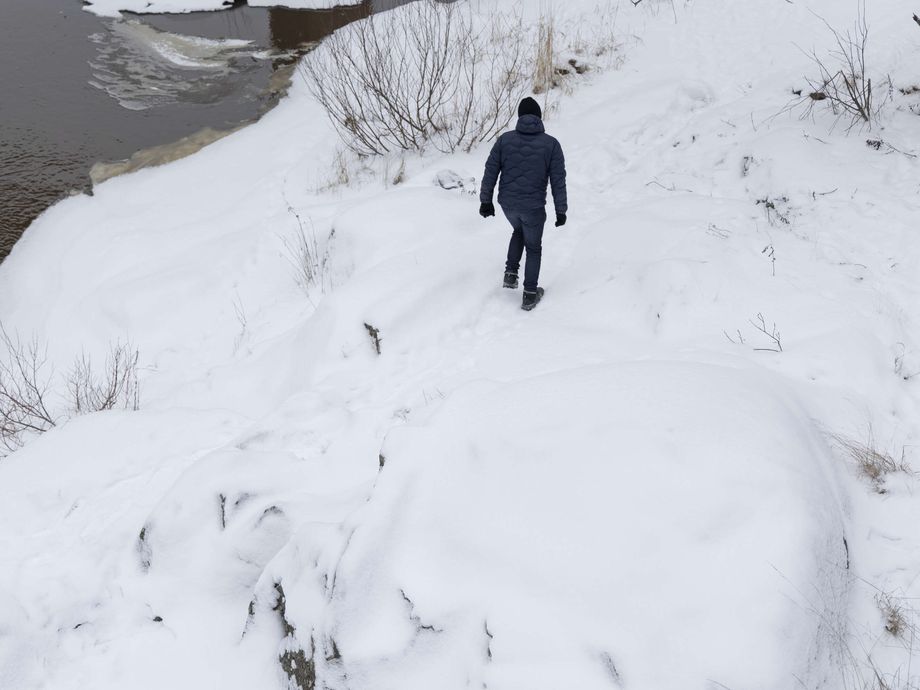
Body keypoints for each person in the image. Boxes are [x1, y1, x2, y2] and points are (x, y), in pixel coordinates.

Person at [479, 96, 567, 311]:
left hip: (508, 204)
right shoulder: (551, 144)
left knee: (519, 230)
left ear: (520, 117)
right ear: (539, 117)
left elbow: (490, 170)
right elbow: (558, 180)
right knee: (533, 248)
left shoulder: (505, 140)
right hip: (533, 207)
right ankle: (529, 294)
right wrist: (561, 210)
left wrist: (485, 201)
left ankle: (510, 274)